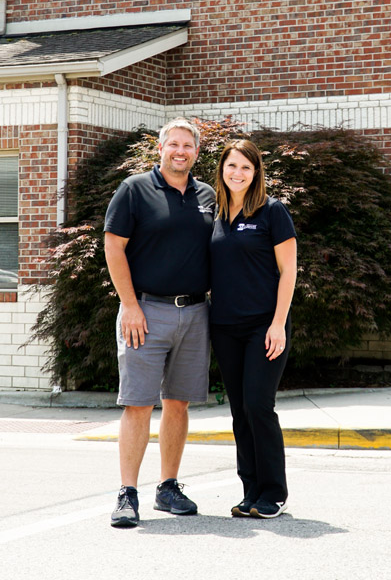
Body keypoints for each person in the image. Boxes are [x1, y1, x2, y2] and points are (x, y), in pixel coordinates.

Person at [104, 118, 215, 528]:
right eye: (174, 144)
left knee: (179, 403)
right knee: (137, 403)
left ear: (196, 152)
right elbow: (113, 247)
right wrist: (130, 306)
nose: (180, 151)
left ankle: (168, 487)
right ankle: (127, 493)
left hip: (196, 312)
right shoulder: (134, 189)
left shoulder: (207, 196)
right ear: (161, 148)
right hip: (146, 312)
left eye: (188, 146)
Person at [209, 138, 297, 519]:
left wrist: (278, 324)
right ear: (222, 170)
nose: (238, 173)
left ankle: (274, 492)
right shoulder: (216, 215)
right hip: (225, 327)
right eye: (231, 165)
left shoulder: (272, 212)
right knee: (239, 411)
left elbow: (289, 270)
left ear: (256, 172)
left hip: (265, 325)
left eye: (246, 166)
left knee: (258, 405)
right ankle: (251, 491)